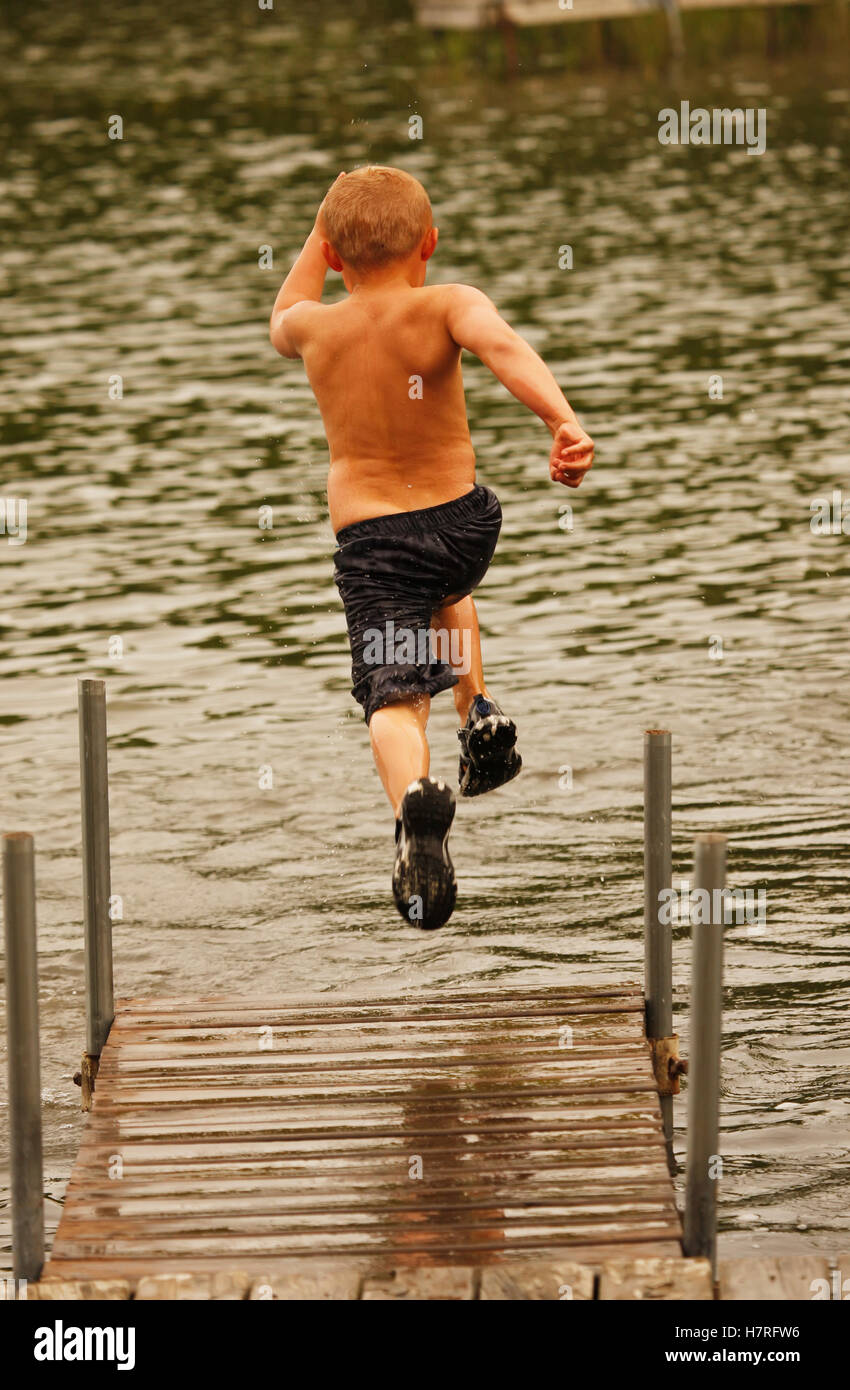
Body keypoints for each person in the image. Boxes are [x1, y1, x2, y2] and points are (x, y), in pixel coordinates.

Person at [270, 166, 594, 929]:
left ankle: (413, 809)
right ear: (431, 243)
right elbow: (503, 348)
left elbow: (283, 307)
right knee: (446, 586)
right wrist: (563, 423)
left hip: (375, 542)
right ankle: (475, 705)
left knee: (392, 696)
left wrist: (321, 232)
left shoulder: (316, 327)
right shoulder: (450, 303)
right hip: (465, 526)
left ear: (337, 259)